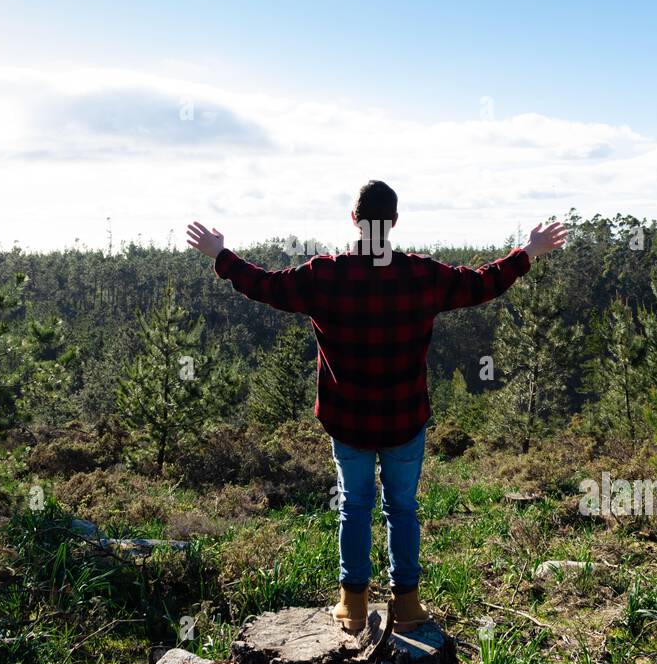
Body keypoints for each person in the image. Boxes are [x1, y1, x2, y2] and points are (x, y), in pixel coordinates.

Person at [186, 180, 567, 633]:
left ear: (354, 220)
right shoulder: (421, 275)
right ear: (395, 222)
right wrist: (528, 251)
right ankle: (406, 606)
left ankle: (352, 605)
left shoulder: (324, 275)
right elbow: (483, 282)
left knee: (354, 506)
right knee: (402, 508)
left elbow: (264, 285)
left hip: (348, 422)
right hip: (405, 420)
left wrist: (220, 256)